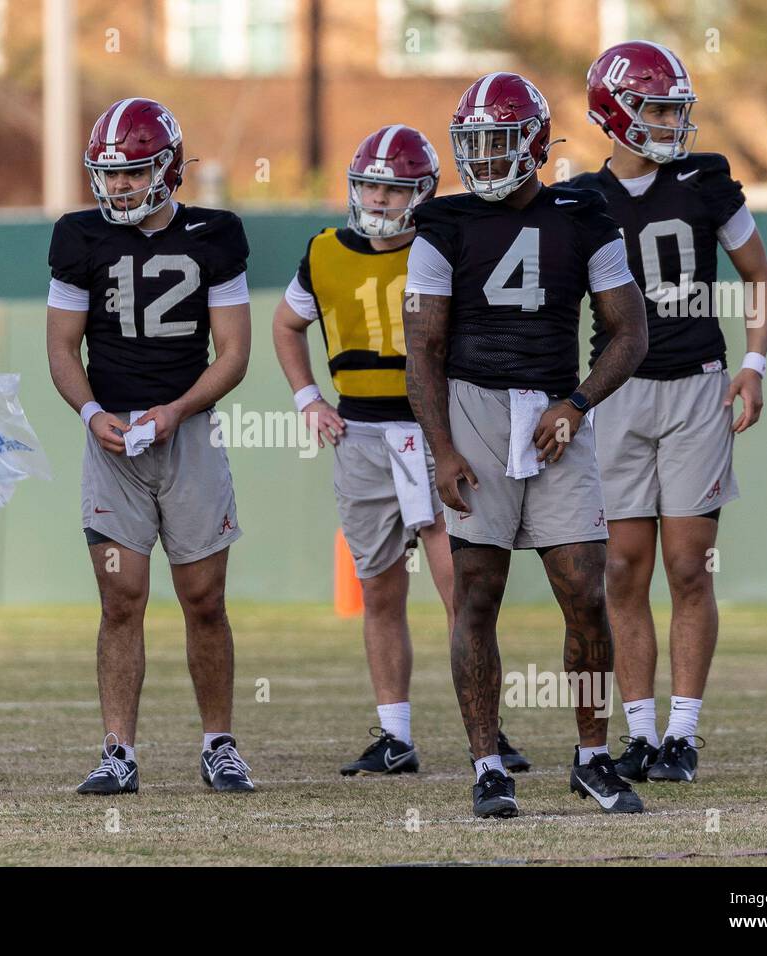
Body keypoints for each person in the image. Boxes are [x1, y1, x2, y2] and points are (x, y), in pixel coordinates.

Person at [403, 73, 649, 818]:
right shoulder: (443, 222)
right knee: (476, 594)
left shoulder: (583, 214)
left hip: (553, 409)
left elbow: (630, 332)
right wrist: (441, 447)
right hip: (473, 406)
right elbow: (423, 350)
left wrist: (576, 403)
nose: (482, 157)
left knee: (586, 593)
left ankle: (592, 758)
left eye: (498, 141)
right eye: (472, 143)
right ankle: (487, 764)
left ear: (537, 144)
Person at [272, 124, 530, 776]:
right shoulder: (326, 249)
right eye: (369, 185)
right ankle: (395, 734)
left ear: (420, 192)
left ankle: (488, 730)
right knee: (379, 589)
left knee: (461, 587)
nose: (379, 199)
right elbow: (286, 323)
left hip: (435, 431)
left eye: (391, 188)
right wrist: (307, 397)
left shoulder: (444, 246)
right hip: (360, 433)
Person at [572, 40, 767, 784]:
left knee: (689, 565)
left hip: (696, 383)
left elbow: (756, 275)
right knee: (623, 568)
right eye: (654, 107)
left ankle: (683, 733)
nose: (668, 121)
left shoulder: (705, 180)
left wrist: (753, 364)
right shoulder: (580, 200)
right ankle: (640, 733)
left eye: (672, 107)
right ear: (613, 112)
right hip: (617, 391)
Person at [47, 98, 255, 794]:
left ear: (168, 167)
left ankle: (219, 742)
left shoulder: (214, 234)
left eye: (134, 172)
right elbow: (60, 346)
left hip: (187, 431)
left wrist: (178, 410)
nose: (119, 187)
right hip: (112, 440)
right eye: (110, 175)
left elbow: (233, 354)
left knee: (203, 597)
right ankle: (118, 752)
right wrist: (89, 412)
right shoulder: (79, 237)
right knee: (120, 598)